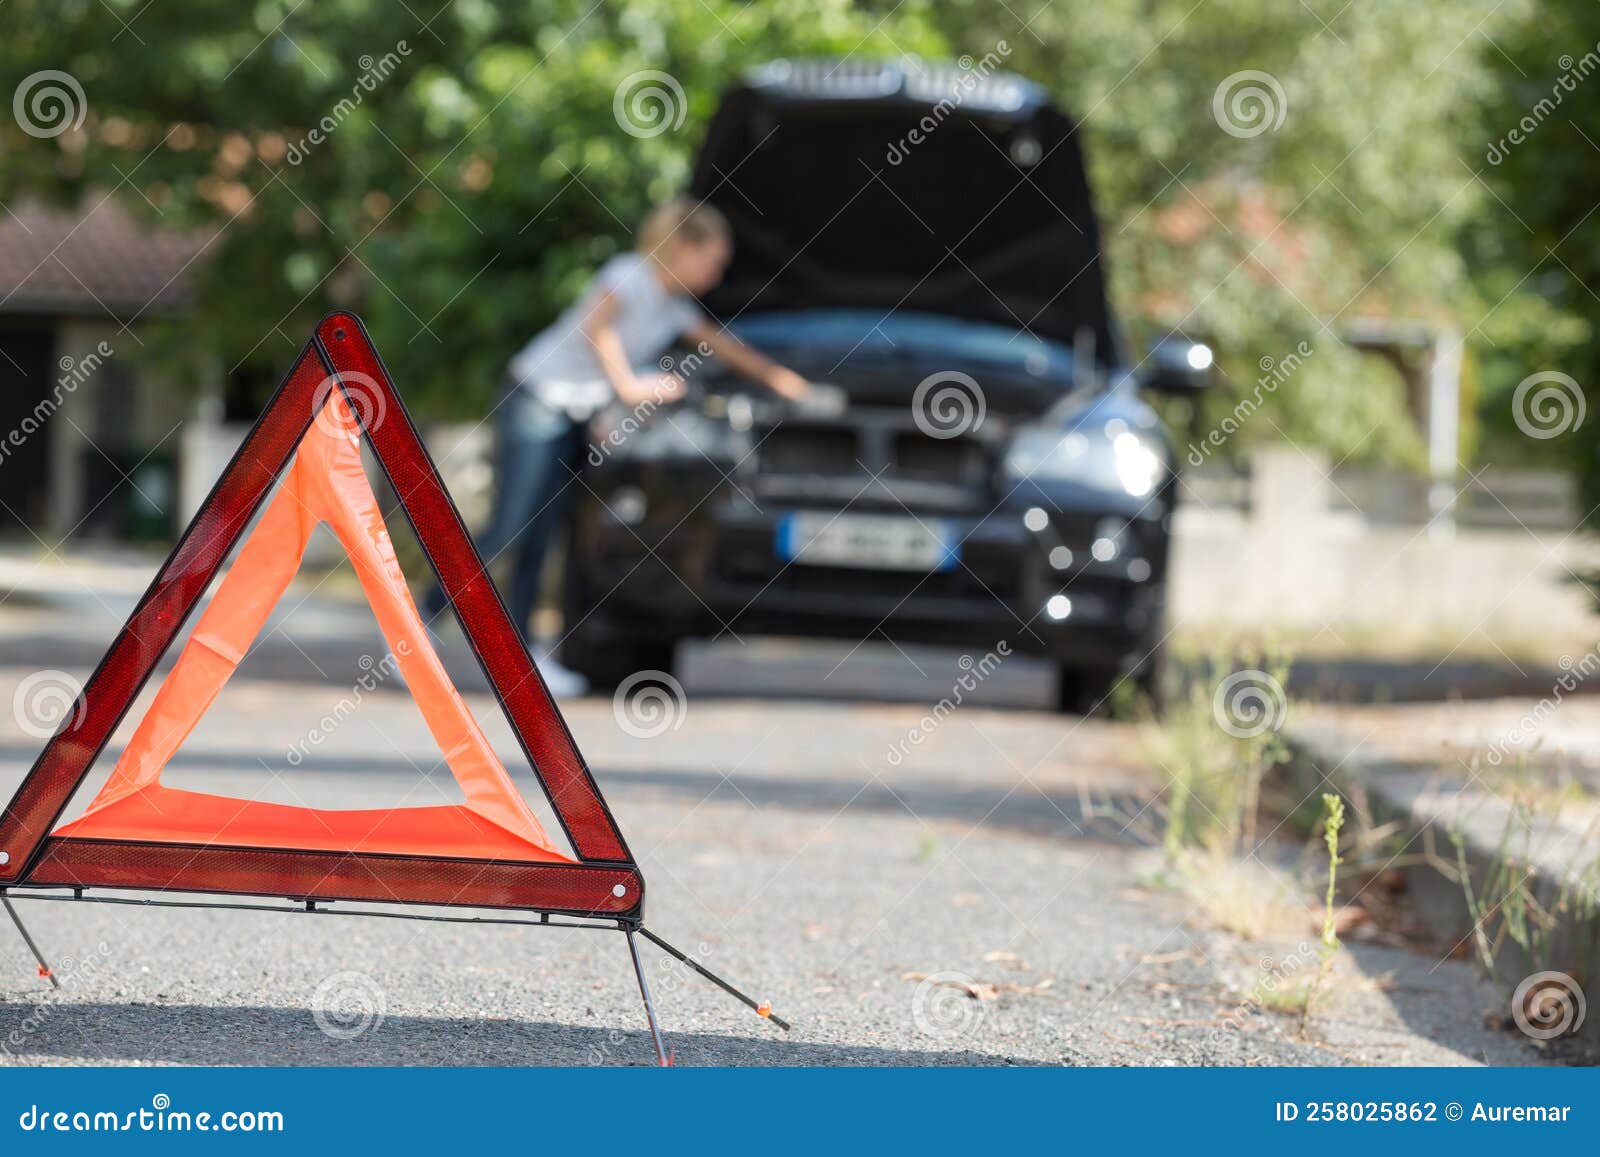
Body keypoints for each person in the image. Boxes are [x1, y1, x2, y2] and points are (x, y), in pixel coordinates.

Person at [425, 199, 809, 696]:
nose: (716, 274)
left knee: (543, 539)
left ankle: (517, 660)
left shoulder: (672, 308)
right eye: (712, 260)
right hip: (537, 398)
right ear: (683, 247)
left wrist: (783, 381)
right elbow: (596, 326)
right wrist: (628, 385)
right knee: (510, 525)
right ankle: (416, 631)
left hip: (573, 415)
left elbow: (722, 345)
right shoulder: (631, 275)